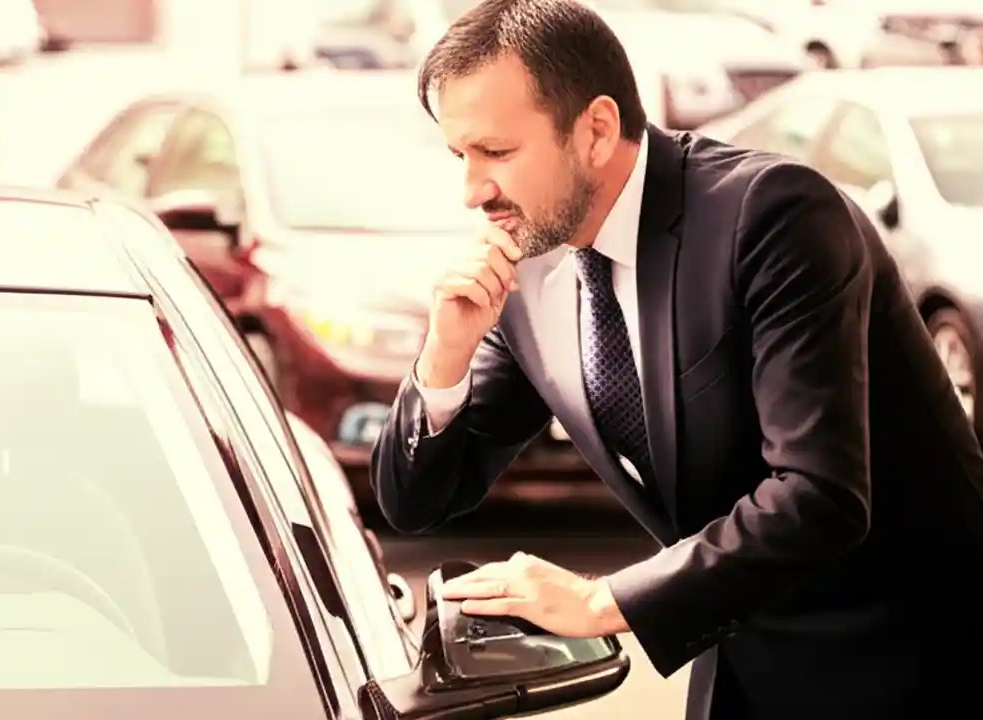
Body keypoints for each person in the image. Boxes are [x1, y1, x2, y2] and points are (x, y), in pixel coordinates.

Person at [369, 1, 983, 718]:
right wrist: (445, 356)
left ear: (596, 130)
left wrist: (599, 599)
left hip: (915, 666)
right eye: (460, 156)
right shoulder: (528, 270)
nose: (472, 192)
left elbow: (819, 497)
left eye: (497, 153)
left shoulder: (774, 217)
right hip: (742, 668)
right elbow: (416, 504)